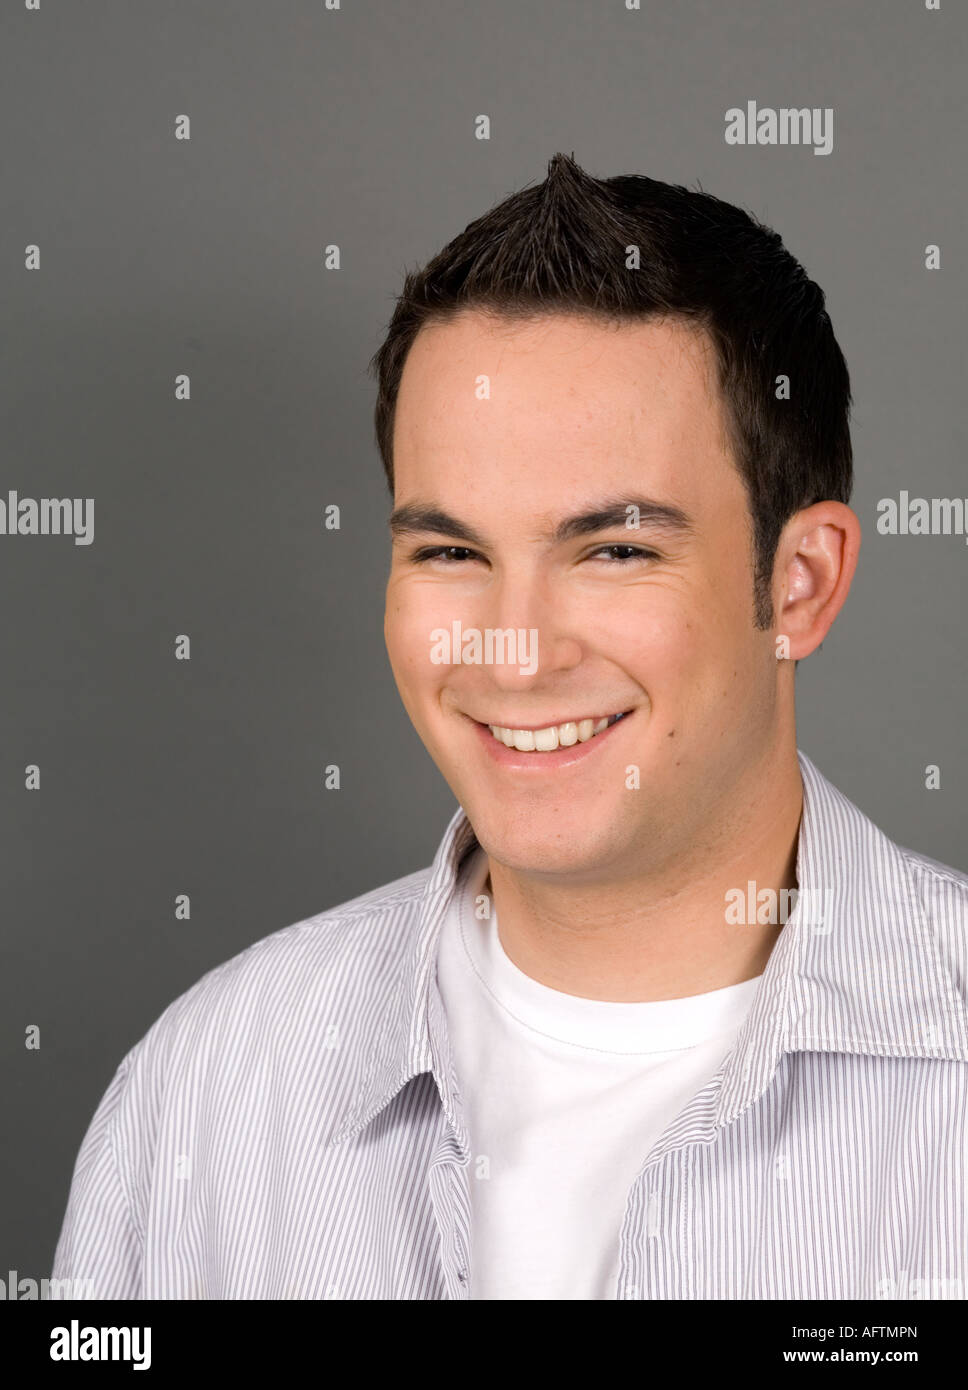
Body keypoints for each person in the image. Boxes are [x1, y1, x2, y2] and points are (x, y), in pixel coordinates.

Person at [53, 154, 968, 1300]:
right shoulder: (202, 1093)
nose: (515, 651)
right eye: (450, 552)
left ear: (797, 584)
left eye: (614, 551)